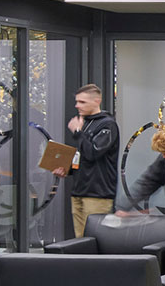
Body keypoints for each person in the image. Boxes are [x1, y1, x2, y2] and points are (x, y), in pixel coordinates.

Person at [52, 84, 121, 237]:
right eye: (77, 101)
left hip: (98, 194)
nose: (77, 106)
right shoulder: (84, 123)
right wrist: (67, 169)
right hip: (79, 190)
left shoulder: (107, 124)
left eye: (82, 102)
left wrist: (77, 133)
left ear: (97, 101)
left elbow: (93, 153)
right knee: (80, 239)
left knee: (94, 238)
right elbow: (82, 156)